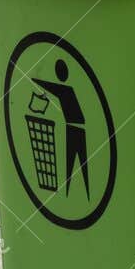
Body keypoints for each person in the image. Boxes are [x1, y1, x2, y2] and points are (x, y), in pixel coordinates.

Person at [34, 59, 89, 198]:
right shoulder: (68, 89)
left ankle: (76, 193)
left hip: (73, 128)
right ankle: (80, 194)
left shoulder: (65, 90)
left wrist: (36, 81)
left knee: (72, 163)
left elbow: (52, 88)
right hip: (78, 127)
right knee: (79, 164)